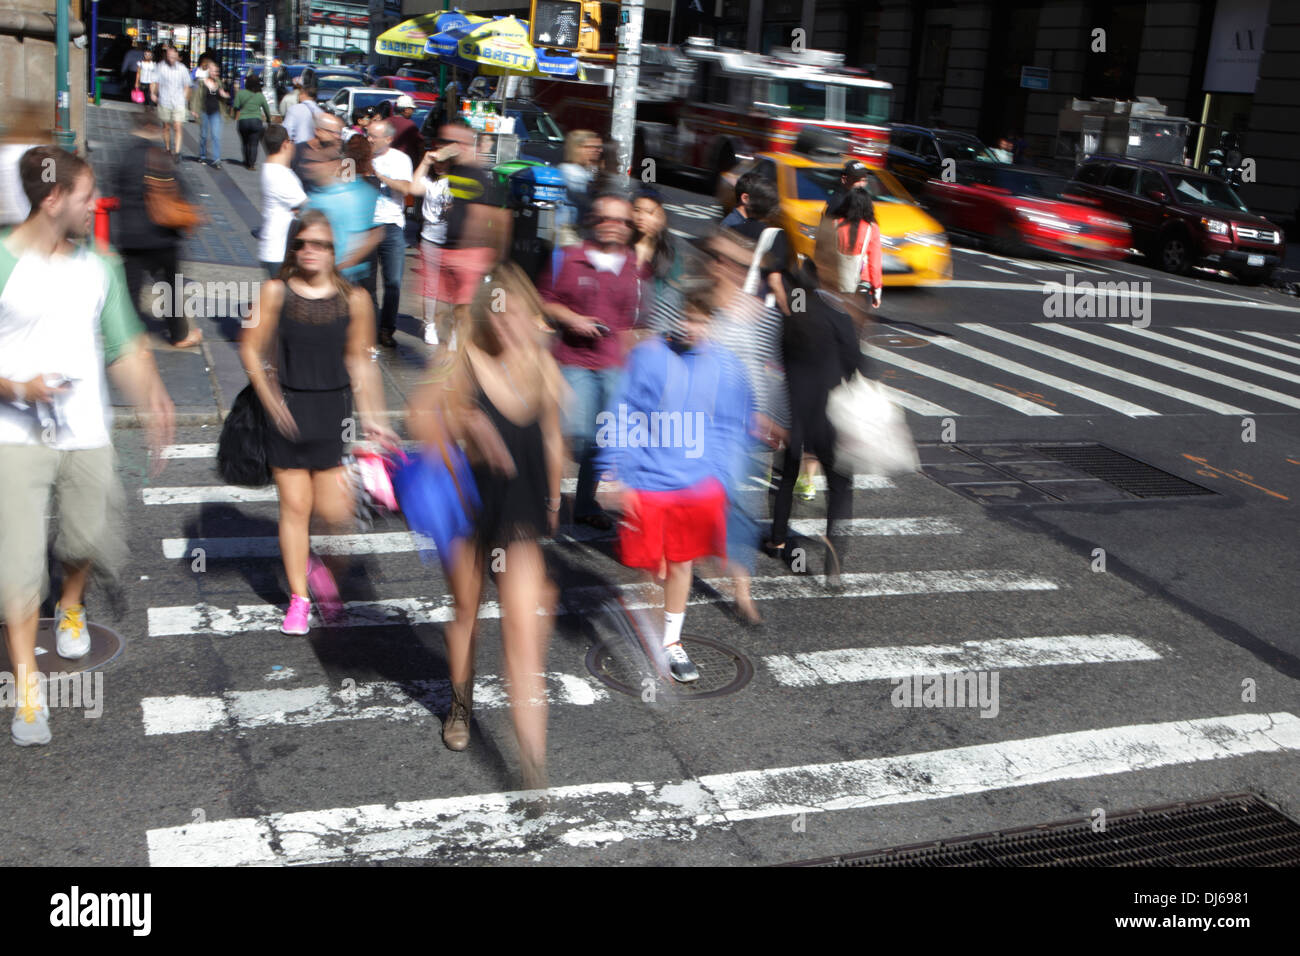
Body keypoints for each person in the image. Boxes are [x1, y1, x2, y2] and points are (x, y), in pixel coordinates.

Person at [0, 146, 175, 745]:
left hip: (86, 432)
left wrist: (152, 396)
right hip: (13, 436)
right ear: (53, 198)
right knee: (19, 569)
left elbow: (123, 348)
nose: (94, 205)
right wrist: (17, 386)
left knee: (82, 539)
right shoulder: (2, 261)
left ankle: (71, 603)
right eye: (84, 196)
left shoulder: (98, 265)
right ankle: (27, 694)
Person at [405, 263, 563, 793]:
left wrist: (556, 499)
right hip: (469, 516)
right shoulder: (461, 359)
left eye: (519, 313)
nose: (510, 325)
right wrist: (466, 421)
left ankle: (532, 762)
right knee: (466, 615)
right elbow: (418, 416)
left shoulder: (541, 365)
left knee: (523, 633)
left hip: (518, 518)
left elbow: (553, 435)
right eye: (501, 314)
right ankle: (460, 706)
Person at [238, 210, 395, 635]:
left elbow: (361, 362)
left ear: (333, 250)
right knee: (295, 508)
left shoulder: (355, 300)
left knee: (338, 518)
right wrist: (271, 401)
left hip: (334, 417)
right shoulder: (274, 292)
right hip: (287, 415)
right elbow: (250, 349)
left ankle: (320, 571)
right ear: (293, 248)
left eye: (321, 244)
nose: (311, 251)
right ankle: (299, 599)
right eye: (303, 243)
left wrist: (375, 420)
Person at [598, 286, 748, 682]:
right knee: (651, 566)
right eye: (686, 318)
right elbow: (623, 410)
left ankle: (670, 642)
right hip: (647, 482)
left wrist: (720, 477)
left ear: (711, 324)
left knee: (681, 564)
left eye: (700, 321)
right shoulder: (648, 355)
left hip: (694, 486)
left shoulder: (724, 364)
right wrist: (614, 471)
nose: (691, 327)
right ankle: (651, 626)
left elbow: (729, 425)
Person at [764, 254, 869, 587]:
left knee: (786, 476)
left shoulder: (790, 317)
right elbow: (856, 363)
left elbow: (778, 360)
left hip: (796, 410)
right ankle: (834, 559)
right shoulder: (837, 315)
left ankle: (778, 539)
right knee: (840, 488)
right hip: (831, 415)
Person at [538, 192, 639, 530]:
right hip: (573, 359)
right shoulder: (568, 258)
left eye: (624, 221)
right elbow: (546, 301)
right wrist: (573, 319)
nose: (615, 226)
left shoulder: (633, 265)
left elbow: (630, 322)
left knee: (601, 439)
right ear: (593, 220)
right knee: (579, 434)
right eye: (608, 218)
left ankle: (584, 504)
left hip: (612, 363)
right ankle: (544, 492)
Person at [703, 230, 788, 623]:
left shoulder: (759, 312)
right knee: (697, 497)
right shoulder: (696, 308)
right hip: (695, 419)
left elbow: (767, 368)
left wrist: (771, 416)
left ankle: (742, 591)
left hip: (740, 424)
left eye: (739, 262)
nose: (732, 269)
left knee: (741, 505)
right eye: (723, 259)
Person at [114, 110, 202, 348]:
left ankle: (128, 334)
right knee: (170, 287)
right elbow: (181, 191)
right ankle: (179, 335)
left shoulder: (125, 156)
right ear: (154, 128)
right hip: (161, 235)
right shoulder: (159, 156)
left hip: (130, 236)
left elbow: (115, 193)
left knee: (131, 287)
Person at [435, 123, 509, 344]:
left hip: (469, 253)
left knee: (462, 308)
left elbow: (497, 219)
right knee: (444, 308)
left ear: (462, 145)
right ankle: (452, 346)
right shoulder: (449, 170)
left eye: (448, 142)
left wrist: (496, 259)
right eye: (442, 141)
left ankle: (460, 350)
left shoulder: (479, 176)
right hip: (445, 249)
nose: (443, 146)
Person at [302, 139, 381, 288]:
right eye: (307, 161)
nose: (308, 166)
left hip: (344, 282)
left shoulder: (359, 193)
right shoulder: (313, 195)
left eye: (316, 161)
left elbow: (375, 234)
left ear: (333, 163)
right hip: (313, 279)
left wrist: (343, 267)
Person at [364, 119, 413, 348]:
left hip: (391, 225)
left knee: (393, 281)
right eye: (368, 134)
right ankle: (369, 328)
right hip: (365, 225)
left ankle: (386, 329)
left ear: (388, 139)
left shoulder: (400, 159)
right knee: (366, 283)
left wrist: (378, 176)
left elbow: (405, 188)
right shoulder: (358, 155)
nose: (369, 139)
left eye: (373, 136)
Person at [718, 171, 791, 315]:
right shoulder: (733, 225)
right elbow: (774, 281)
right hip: (750, 307)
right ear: (745, 198)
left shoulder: (731, 223)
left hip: (729, 303)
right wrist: (790, 313)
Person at [631, 187, 685, 333]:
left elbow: (673, 296)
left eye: (649, 212)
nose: (641, 217)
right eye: (637, 210)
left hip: (651, 331)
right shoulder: (623, 247)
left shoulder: (669, 254)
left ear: (661, 218)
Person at [258, 124, 306, 277]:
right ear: (285, 144)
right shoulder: (279, 174)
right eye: (291, 141)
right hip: (278, 250)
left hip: (276, 247)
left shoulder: (273, 169)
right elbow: (308, 205)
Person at [556, 130, 601, 249]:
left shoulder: (581, 171)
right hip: (570, 233)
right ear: (576, 148)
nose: (596, 151)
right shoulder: (572, 173)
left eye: (597, 147)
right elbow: (590, 204)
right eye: (589, 147)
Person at [151, 46, 191, 161]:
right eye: (169, 56)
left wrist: (184, 98)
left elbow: (187, 85)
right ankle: (168, 148)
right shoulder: (160, 67)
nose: (171, 59)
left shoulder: (182, 69)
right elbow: (154, 81)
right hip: (164, 100)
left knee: (178, 127)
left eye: (173, 57)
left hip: (178, 102)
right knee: (166, 127)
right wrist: (153, 93)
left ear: (177, 56)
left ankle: (177, 152)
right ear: (166, 56)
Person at [293, 111, 343, 196]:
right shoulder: (297, 152)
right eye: (333, 132)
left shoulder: (342, 153)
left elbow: (347, 182)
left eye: (340, 133)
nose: (338, 137)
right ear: (318, 131)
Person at [231, 74, 271, 171]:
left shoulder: (241, 93)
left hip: (243, 120)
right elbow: (266, 109)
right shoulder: (260, 95)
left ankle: (246, 160)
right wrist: (269, 120)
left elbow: (236, 106)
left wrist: (234, 116)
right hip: (256, 121)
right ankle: (251, 164)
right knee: (254, 143)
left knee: (245, 142)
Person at [196, 61, 231, 167]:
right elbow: (197, 97)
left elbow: (223, 95)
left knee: (216, 136)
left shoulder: (219, 82)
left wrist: (224, 95)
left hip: (215, 112)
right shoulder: (202, 82)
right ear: (208, 71)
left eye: (216, 71)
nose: (215, 73)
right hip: (204, 111)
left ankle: (216, 159)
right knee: (203, 135)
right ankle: (202, 155)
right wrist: (194, 110)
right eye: (212, 71)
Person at [386, 95, 424, 169]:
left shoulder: (385, 122)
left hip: (387, 164)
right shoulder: (409, 125)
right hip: (405, 166)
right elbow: (420, 145)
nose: (413, 112)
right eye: (412, 109)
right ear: (406, 110)